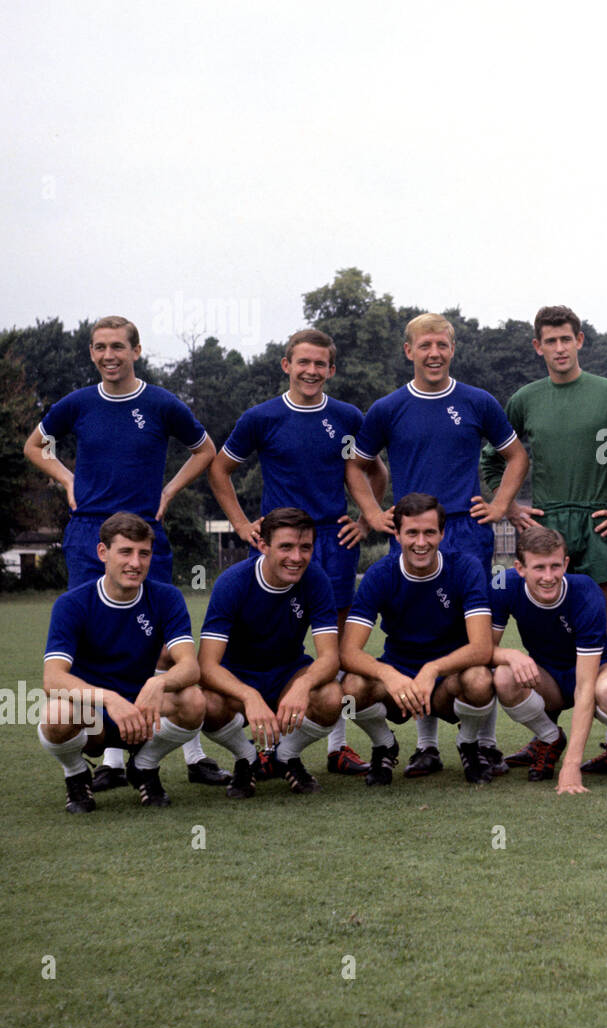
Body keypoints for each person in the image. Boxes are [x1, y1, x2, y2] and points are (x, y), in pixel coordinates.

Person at [23, 314, 220, 789]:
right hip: (90, 531)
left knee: (163, 644)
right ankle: (112, 760)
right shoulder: (77, 403)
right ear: (91, 353)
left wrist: (168, 492)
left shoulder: (160, 403)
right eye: (99, 347)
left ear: (136, 350)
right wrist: (68, 478)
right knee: (98, 635)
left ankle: (192, 755)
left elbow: (205, 449)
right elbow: (34, 445)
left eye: (117, 346)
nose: (108, 355)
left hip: (144, 532)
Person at [347, 312, 527, 767]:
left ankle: (480, 743)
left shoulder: (477, 401)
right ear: (409, 351)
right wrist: (371, 512)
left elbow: (516, 455)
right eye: (424, 346)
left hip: (465, 530)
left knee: (470, 634)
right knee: (417, 627)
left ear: (453, 349)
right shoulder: (388, 408)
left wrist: (501, 504)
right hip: (413, 533)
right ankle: (425, 747)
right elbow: (355, 463)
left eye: (442, 346)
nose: (434, 354)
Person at [208, 327, 388, 776]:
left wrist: (366, 519)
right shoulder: (260, 417)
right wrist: (241, 523)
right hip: (280, 542)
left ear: (331, 369)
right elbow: (219, 469)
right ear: (286, 365)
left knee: (340, 648)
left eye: (320, 364)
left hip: (331, 539)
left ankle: (337, 746)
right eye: (302, 362)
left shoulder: (346, 416)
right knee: (261, 637)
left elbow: (373, 471)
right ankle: (260, 736)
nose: (311, 371)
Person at [39, 513, 206, 813]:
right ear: (103, 553)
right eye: (125, 552)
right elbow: (53, 679)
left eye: (144, 553)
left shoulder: (166, 598)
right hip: (93, 716)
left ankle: (144, 766)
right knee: (56, 713)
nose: (135, 563)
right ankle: (76, 774)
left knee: (193, 701)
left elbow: (190, 666)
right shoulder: (72, 604)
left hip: (143, 711)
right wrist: (109, 699)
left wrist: (159, 682)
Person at [480, 305, 607, 643]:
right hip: (546, 525)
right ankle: (554, 695)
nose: (559, 348)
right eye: (550, 341)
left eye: (565, 339)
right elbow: (493, 459)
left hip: (598, 523)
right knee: (552, 630)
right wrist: (509, 506)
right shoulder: (525, 399)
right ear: (538, 346)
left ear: (579, 340)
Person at [339, 494, 497, 785]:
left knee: (480, 679)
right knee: (350, 687)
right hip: (398, 678)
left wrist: (433, 669)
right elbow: (348, 652)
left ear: (443, 534)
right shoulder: (379, 575)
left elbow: (482, 647)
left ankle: (468, 743)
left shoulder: (465, 567)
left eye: (429, 532)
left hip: (447, 681)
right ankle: (384, 744)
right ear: (397, 535)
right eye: (412, 533)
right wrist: (388, 674)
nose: (420, 542)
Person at [197, 507, 344, 799]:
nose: (297, 557)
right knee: (205, 703)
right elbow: (207, 664)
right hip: (238, 677)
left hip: (287, 673)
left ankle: (286, 756)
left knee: (331, 695)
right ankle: (247, 758)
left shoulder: (316, 580)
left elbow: (330, 657)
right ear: (263, 546)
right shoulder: (232, 582)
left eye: (305, 548)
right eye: (286, 547)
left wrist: (303, 685)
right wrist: (249, 695)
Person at [487, 526, 607, 792]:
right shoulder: (504, 584)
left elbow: (585, 686)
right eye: (539, 568)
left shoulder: (585, 591)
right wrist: (510, 654)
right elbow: (483, 649)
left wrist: (571, 766)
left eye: (555, 566)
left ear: (566, 563)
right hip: (548, 677)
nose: (548, 576)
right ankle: (550, 737)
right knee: (504, 675)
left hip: (596, 671)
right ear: (520, 568)